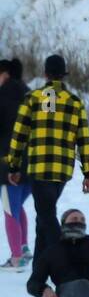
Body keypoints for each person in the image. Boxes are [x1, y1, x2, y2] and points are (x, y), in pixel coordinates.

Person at [5, 54, 89, 265]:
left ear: (45, 74)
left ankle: (65, 261)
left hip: (38, 167)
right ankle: (39, 266)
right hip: (62, 170)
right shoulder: (75, 102)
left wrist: (13, 166)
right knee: (43, 215)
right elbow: (84, 139)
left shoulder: (33, 98)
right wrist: (88, 172)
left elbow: (19, 135)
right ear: (63, 75)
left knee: (46, 214)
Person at [0, 58, 32, 271]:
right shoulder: (29, 94)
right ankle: (23, 248)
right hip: (31, 162)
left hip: (9, 164)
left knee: (10, 209)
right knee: (17, 206)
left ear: (5, 74)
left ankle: (16, 257)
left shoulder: (3, 97)